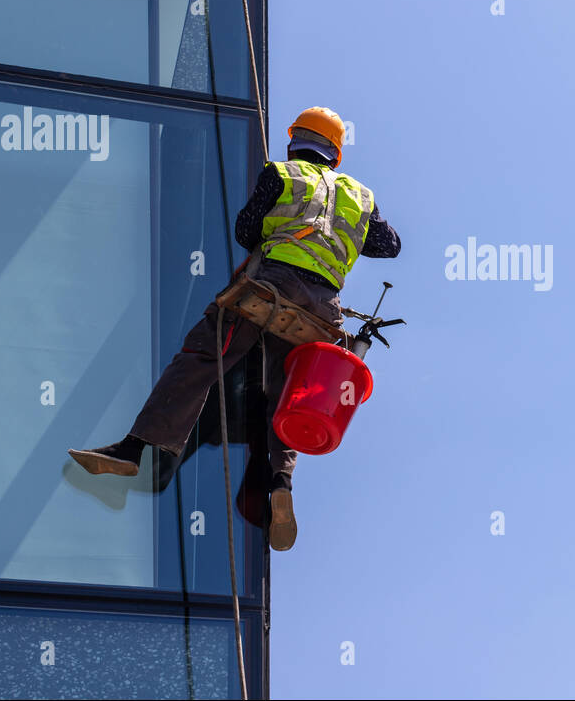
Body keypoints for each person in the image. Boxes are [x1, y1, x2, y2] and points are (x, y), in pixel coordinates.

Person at [68, 107, 401, 551]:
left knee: (202, 360)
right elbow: (390, 245)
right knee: (289, 398)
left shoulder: (280, 172)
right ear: (335, 154)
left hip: (270, 288)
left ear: (294, 141)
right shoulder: (359, 195)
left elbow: (247, 232)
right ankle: (281, 484)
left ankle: (133, 451)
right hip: (324, 311)